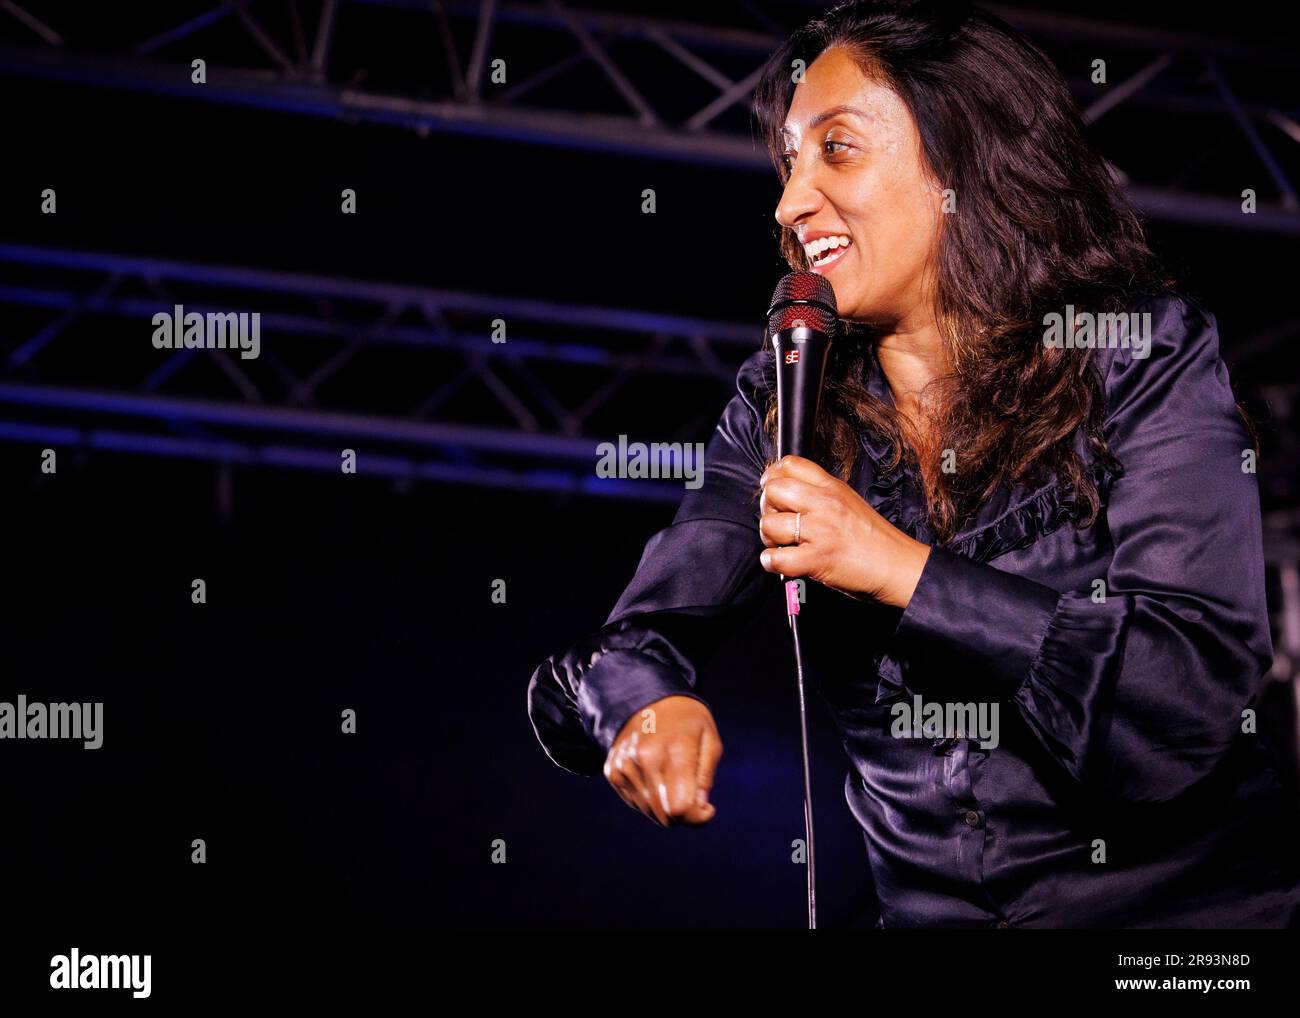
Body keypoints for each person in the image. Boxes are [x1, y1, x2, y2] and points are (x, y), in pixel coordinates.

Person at [526, 0, 1300, 927]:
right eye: (788, 159)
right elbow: (624, 649)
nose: (788, 201)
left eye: (836, 149)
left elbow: (1187, 692)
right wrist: (644, 704)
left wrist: (901, 570)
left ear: (959, 164)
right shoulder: (786, 404)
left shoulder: (1132, 354)